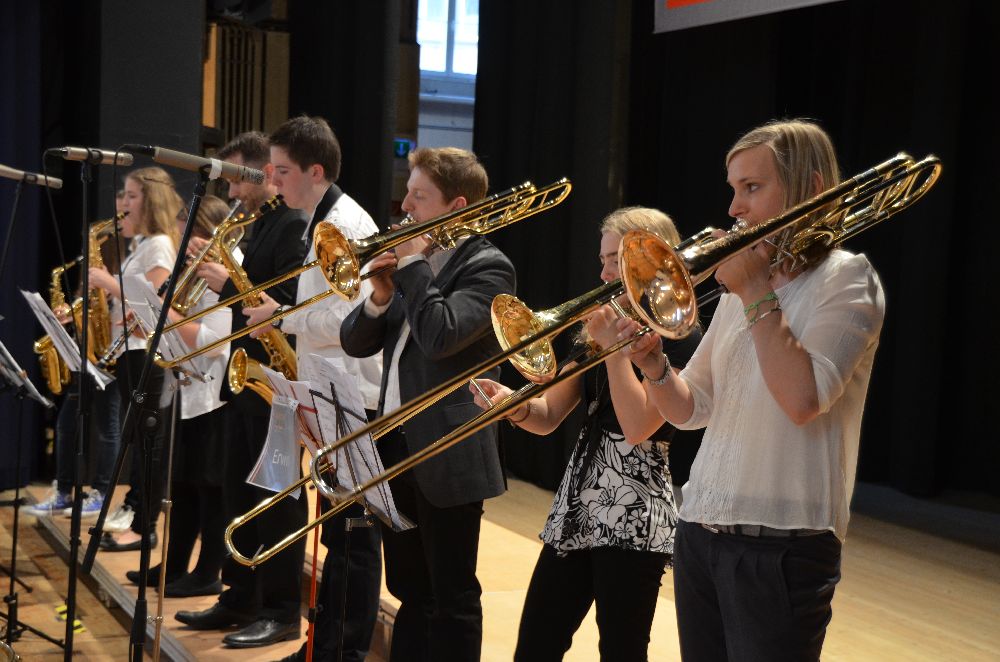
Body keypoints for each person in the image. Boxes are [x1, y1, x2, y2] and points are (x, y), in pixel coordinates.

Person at [623, 119, 886, 662]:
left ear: (811, 189)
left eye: (752, 188)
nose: (734, 209)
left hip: (783, 546)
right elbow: (692, 408)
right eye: (733, 190)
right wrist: (653, 366)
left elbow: (802, 401)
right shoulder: (749, 286)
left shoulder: (849, 278)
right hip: (699, 529)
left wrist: (754, 291)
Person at [470, 207, 701, 661]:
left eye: (615, 259)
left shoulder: (681, 336)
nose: (603, 272)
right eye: (603, 259)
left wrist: (614, 348)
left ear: (649, 260)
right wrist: (512, 407)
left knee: (621, 650)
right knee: (536, 643)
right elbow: (548, 414)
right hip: (577, 505)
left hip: (634, 515)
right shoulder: (598, 330)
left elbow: (638, 428)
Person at [340, 146, 515, 662]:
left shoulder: (489, 267)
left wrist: (413, 266)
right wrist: (376, 296)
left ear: (456, 204)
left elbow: (441, 337)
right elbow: (355, 342)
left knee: (453, 595)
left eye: (419, 196)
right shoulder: (412, 265)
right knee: (411, 591)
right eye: (408, 192)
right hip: (397, 443)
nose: (405, 206)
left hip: (449, 448)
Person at [242, 115, 383, 660]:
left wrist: (284, 317)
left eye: (281, 172)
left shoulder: (343, 225)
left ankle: (340, 651)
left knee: (352, 538)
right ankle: (322, 645)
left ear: (316, 171)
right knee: (338, 534)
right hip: (327, 390)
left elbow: (354, 323)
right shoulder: (318, 218)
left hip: (352, 395)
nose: (273, 183)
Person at [173, 131, 310, 649]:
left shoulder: (292, 222)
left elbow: (285, 299)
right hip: (241, 373)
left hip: (271, 376)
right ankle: (238, 596)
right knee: (237, 489)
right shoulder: (255, 223)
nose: (230, 193)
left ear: (258, 172)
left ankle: (278, 609)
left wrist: (224, 282)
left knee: (274, 496)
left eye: (235, 180)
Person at [124, 194, 234, 597]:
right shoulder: (191, 270)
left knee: (210, 486)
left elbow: (215, 341)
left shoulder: (223, 271)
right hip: (188, 389)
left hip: (217, 394)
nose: (186, 243)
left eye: (194, 234)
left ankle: (208, 572)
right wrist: (148, 321)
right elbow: (166, 329)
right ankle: (174, 566)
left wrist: (164, 315)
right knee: (185, 484)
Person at [90, 166, 182, 552]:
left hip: (146, 355)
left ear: (151, 201)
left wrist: (107, 282)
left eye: (130, 196)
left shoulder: (159, 244)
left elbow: (156, 308)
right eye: (121, 195)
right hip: (130, 353)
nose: (121, 204)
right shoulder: (143, 245)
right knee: (138, 438)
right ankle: (135, 513)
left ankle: (145, 526)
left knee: (148, 441)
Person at [27, 191, 127, 520]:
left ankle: (99, 493)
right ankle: (63, 490)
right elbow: (89, 309)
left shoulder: (121, 270)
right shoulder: (94, 274)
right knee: (67, 424)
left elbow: (119, 313)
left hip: (109, 359)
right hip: (84, 358)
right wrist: (69, 312)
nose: (86, 257)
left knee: (106, 429)